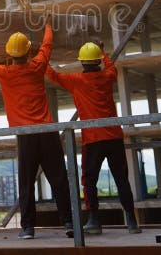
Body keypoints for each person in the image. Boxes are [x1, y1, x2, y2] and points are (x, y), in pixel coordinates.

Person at [0, 21, 73, 240]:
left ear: (9, 54)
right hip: (48, 132)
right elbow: (47, 46)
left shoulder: (4, 73)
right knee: (59, 180)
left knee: (26, 184)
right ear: (28, 51)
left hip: (27, 136)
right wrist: (48, 25)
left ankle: (28, 228)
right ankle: (70, 223)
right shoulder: (38, 65)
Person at [45, 41, 141, 235]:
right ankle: (132, 222)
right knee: (122, 179)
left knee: (89, 181)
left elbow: (52, 75)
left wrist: (42, 58)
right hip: (114, 136)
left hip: (93, 139)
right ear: (98, 60)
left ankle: (94, 221)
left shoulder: (75, 81)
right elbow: (112, 66)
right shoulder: (108, 76)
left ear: (82, 63)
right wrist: (103, 51)